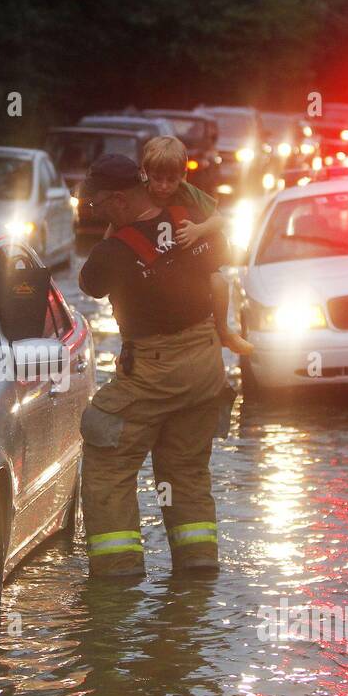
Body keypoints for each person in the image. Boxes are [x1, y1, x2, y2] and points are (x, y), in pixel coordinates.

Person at [76, 154, 249, 578]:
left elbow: (90, 284)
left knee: (108, 459)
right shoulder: (192, 221)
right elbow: (220, 262)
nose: (97, 214)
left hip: (153, 370)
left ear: (118, 201)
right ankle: (198, 568)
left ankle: (118, 573)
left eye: (99, 206)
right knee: (186, 469)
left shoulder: (114, 251)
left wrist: (114, 237)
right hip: (207, 366)